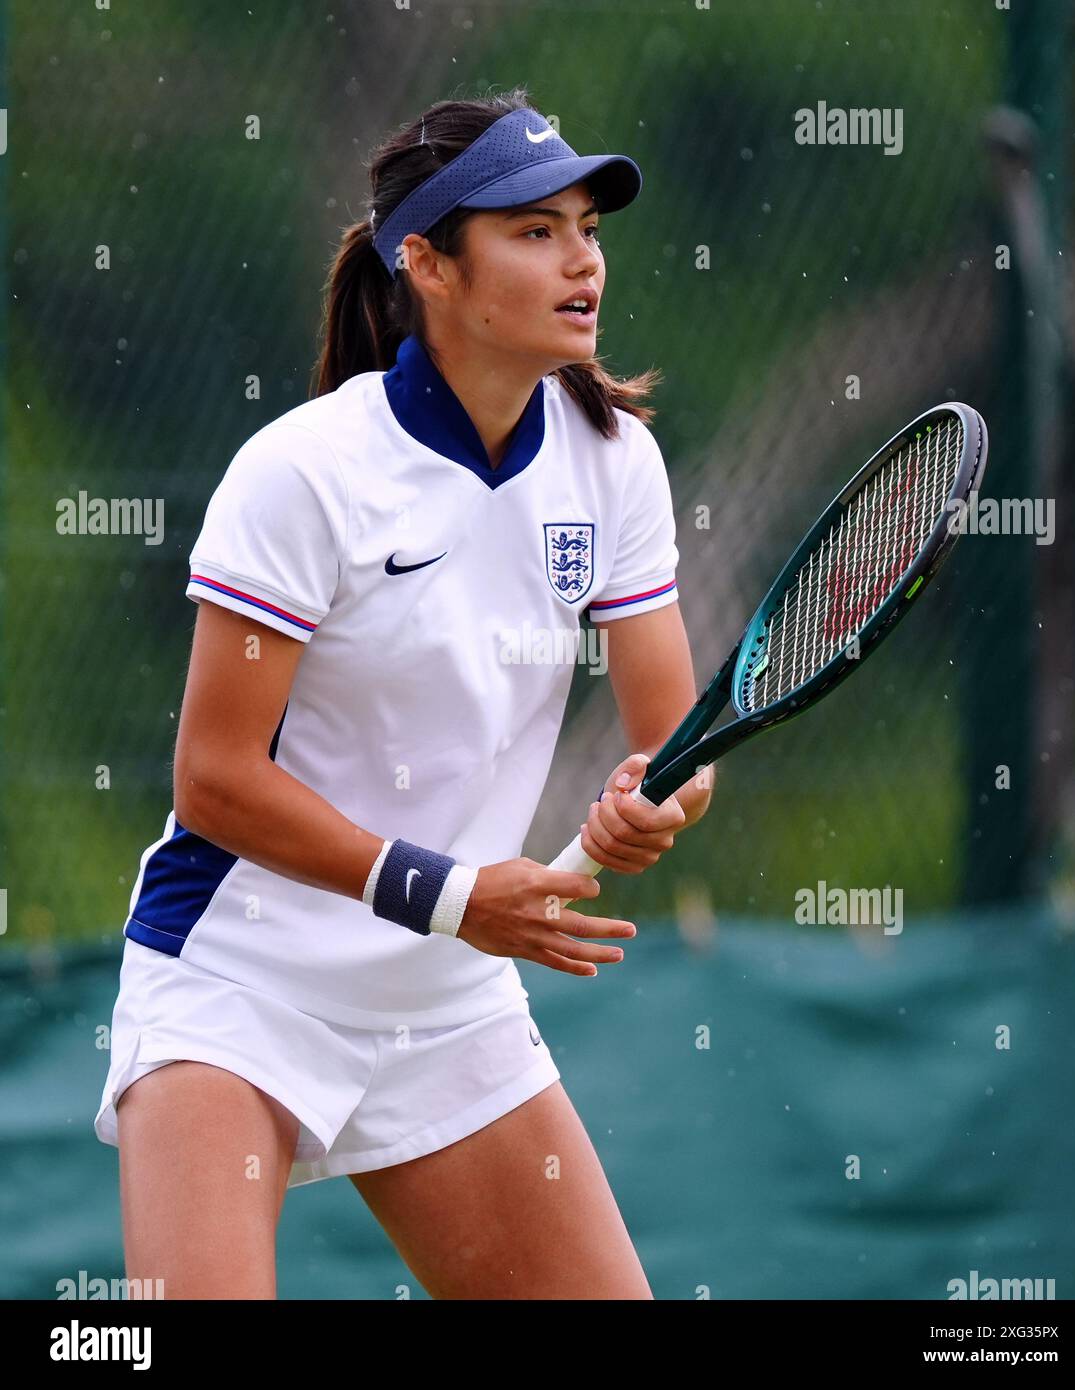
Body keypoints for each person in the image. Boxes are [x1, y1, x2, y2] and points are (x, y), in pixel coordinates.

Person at [93, 87, 715, 1300]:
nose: (582, 260)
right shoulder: (302, 473)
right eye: (533, 231)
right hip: (239, 983)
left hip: (444, 1001)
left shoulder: (615, 462)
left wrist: (657, 800)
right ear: (426, 263)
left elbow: (674, 743)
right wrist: (454, 895)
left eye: (587, 228)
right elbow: (214, 783)